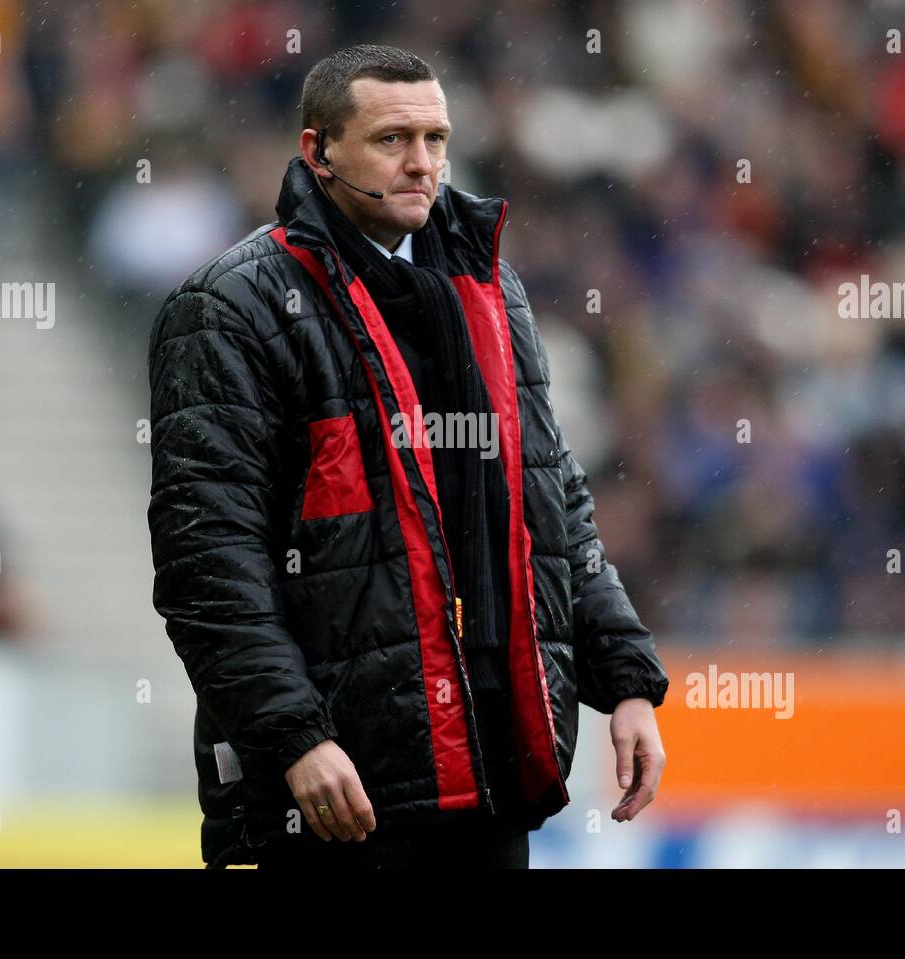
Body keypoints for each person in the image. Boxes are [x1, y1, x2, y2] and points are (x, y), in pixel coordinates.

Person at [146, 44, 669, 870]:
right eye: (392, 140)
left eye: (437, 138)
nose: (422, 162)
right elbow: (207, 562)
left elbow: (552, 498)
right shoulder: (229, 307)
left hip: (489, 779)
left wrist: (627, 678)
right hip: (332, 793)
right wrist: (296, 739)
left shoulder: (493, 289)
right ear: (318, 153)